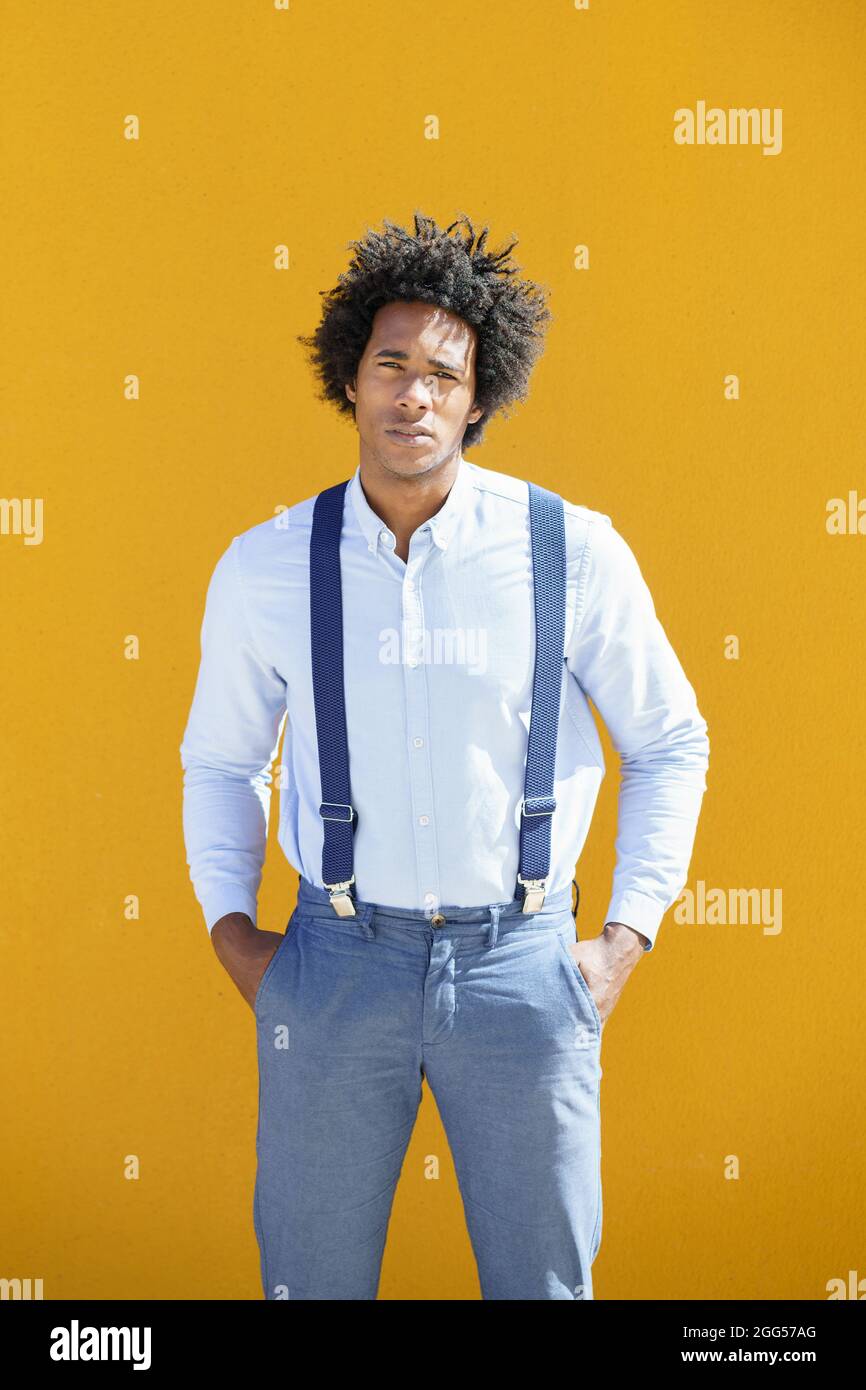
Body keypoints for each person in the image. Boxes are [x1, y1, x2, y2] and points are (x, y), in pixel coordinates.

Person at [179, 211, 710, 1300]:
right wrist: (236, 935)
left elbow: (668, 740)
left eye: (440, 373)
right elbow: (221, 763)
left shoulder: (571, 551)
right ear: (351, 380)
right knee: (310, 1285)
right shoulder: (265, 565)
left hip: (522, 963)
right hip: (334, 965)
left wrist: (622, 938)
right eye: (390, 366)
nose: (412, 395)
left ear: (479, 397)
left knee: (543, 1289)